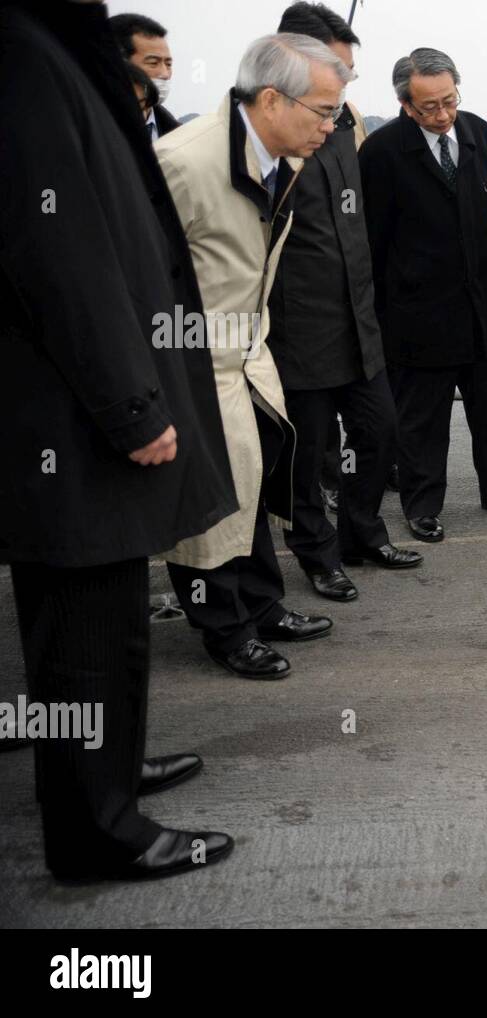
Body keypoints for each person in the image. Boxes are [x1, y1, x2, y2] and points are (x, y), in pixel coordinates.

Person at [1, 0, 238, 880]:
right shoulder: (23, 54)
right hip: (73, 413)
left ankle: (99, 771)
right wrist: (132, 408)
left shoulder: (49, 45)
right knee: (86, 624)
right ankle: (96, 830)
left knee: (98, 614)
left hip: (78, 406)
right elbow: (55, 252)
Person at [158, 33, 351, 678]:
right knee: (210, 504)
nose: (333, 125)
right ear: (271, 99)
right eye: (325, 111)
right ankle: (224, 628)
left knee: (259, 478)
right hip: (194, 360)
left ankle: (262, 605)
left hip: (248, 349)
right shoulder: (182, 162)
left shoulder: (282, 158)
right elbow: (138, 278)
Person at [360, 47, 487, 545]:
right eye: (429, 108)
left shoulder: (479, 132)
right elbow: (374, 244)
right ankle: (422, 505)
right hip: (416, 310)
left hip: (480, 299)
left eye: (449, 101)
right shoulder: (380, 152)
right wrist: (382, 315)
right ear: (405, 105)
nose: (442, 115)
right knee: (423, 415)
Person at [270, 3, 421, 604]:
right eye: (338, 70)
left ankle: (363, 532)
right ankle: (317, 552)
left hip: (359, 315)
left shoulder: (345, 118)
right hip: (299, 320)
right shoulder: (273, 123)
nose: (344, 85)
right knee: (310, 453)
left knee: (378, 430)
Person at [107, 12, 178, 140]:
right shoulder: (90, 130)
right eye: (153, 63)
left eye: (168, 64)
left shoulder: (178, 137)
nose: (165, 74)